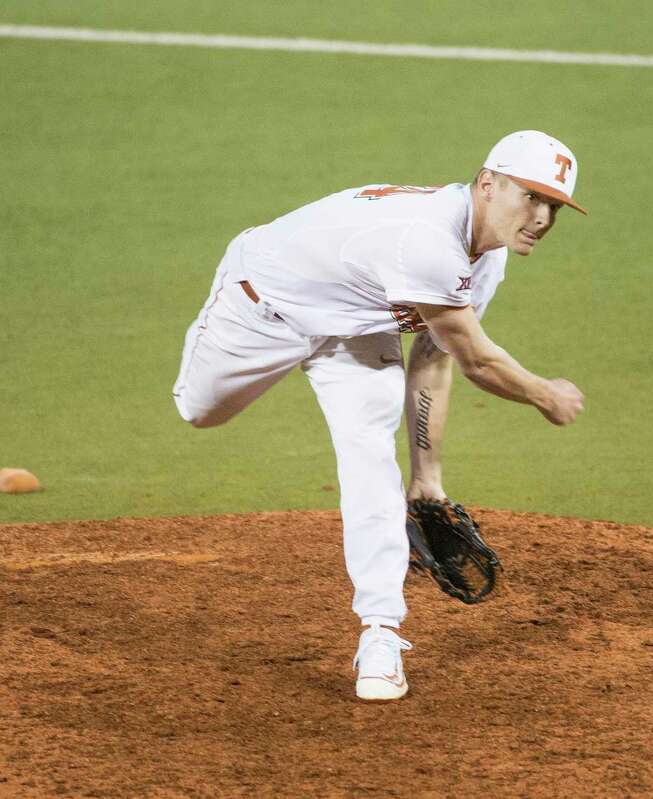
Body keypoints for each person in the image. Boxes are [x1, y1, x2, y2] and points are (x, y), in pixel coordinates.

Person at [171, 130, 586, 700]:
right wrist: (545, 394)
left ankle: (381, 634)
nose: (541, 217)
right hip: (263, 305)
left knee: (369, 451)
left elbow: (435, 359)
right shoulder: (428, 239)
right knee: (199, 410)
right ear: (488, 184)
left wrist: (427, 479)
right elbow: (479, 361)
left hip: (357, 331)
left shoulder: (486, 260)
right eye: (531, 197)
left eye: (554, 206)